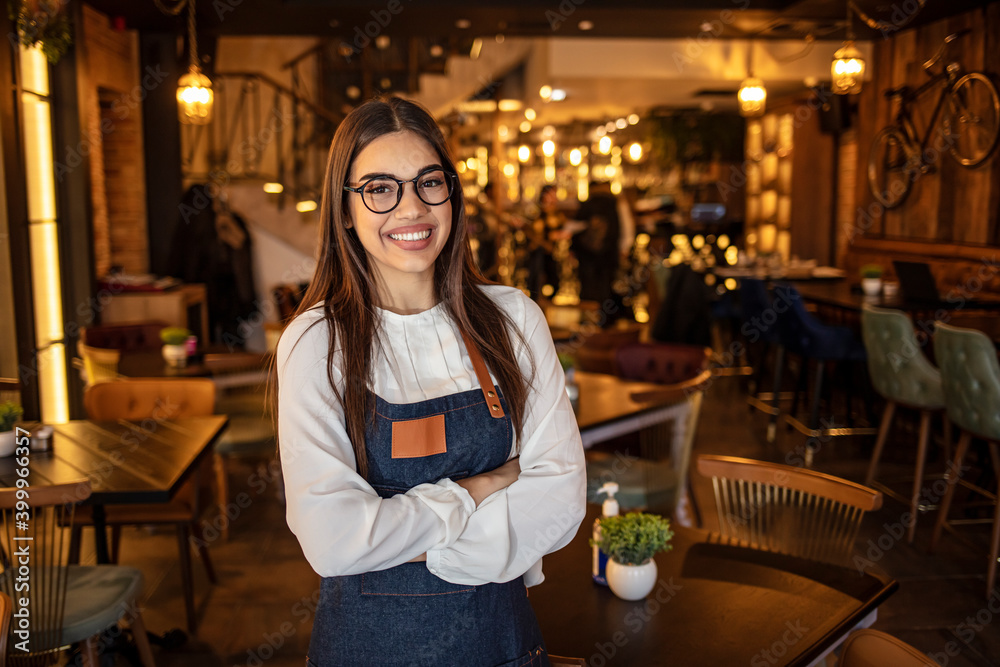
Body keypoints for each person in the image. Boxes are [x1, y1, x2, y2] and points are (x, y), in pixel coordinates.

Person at [275, 96, 586, 667]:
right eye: (379, 188)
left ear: (452, 193)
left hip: (501, 644)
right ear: (345, 209)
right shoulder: (316, 343)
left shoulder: (513, 318)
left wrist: (409, 548)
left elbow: (560, 498)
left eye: (428, 182)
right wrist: (479, 489)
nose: (411, 208)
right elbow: (332, 539)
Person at [571, 180, 621, 307]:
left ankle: (588, 321)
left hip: (586, 256)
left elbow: (575, 227)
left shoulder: (588, 204)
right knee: (606, 288)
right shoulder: (614, 204)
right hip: (609, 255)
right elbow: (624, 229)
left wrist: (573, 249)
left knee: (588, 288)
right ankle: (604, 320)